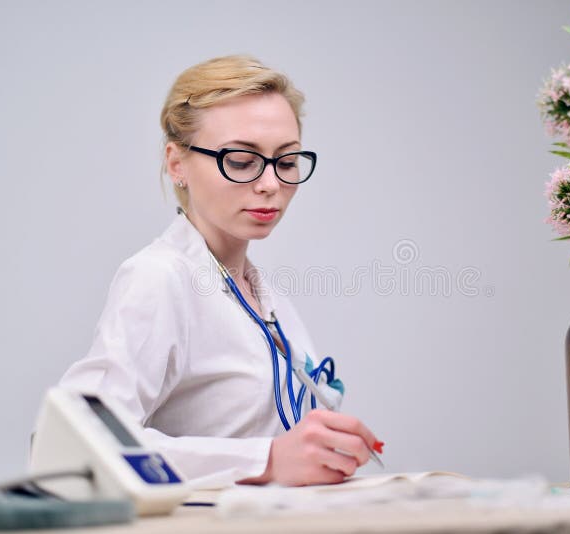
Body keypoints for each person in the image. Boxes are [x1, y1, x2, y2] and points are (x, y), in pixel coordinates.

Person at [56, 55, 380, 488]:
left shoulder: (268, 298)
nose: (270, 184)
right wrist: (265, 460)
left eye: (286, 162)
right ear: (177, 163)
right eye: (242, 160)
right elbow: (79, 442)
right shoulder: (159, 278)